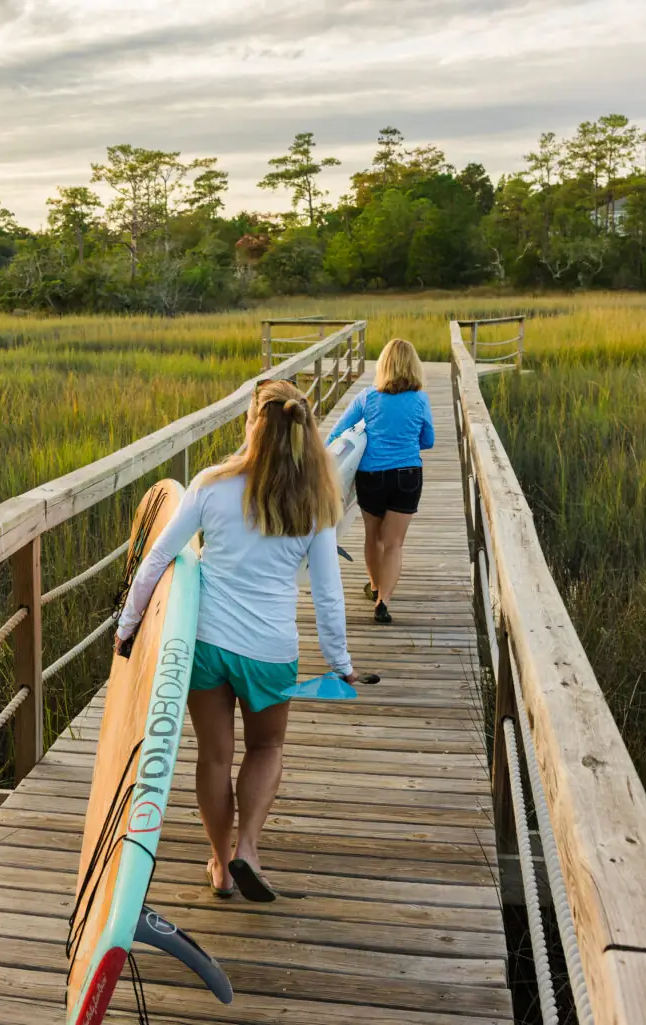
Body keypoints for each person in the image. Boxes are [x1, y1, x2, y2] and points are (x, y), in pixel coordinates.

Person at [115, 379, 356, 903]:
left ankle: (221, 867)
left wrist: (127, 626)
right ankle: (248, 847)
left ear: (252, 425)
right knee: (266, 746)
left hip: (206, 643)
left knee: (215, 756)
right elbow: (328, 594)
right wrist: (339, 663)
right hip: (270, 650)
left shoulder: (210, 484)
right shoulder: (315, 501)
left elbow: (157, 558)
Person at [326, 337, 435, 625]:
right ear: (414, 366)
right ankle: (382, 602)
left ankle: (374, 586)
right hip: (407, 476)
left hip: (371, 476)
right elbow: (429, 440)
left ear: (383, 365)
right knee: (394, 544)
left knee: (373, 536)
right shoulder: (421, 399)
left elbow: (336, 434)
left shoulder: (366, 397)